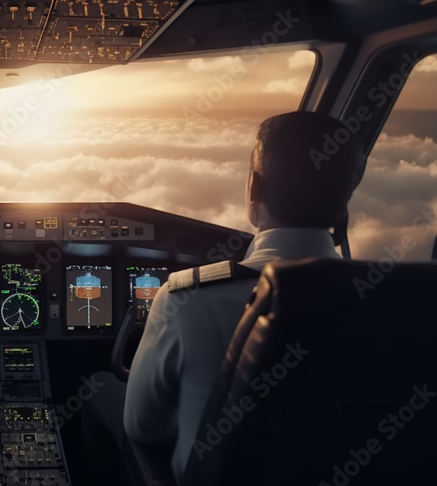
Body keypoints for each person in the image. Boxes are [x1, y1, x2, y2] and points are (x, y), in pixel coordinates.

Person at [82, 111, 366, 483]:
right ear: (345, 199)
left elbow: (142, 427)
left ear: (254, 188)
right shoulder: (381, 302)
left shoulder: (188, 297)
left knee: (98, 385)